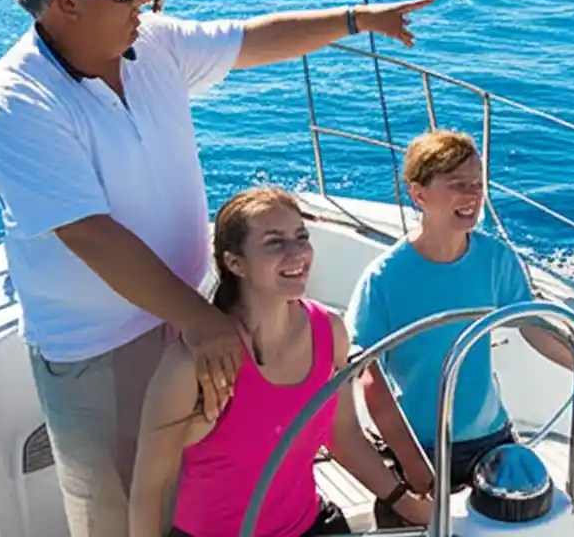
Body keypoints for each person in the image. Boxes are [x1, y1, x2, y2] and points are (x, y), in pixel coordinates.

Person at [0, 0, 433, 536]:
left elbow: (253, 39)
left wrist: (357, 19)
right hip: (99, 348)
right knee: (120, 508)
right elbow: (88, 233)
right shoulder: (16, 100)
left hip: (188, 319)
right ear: (65, 5)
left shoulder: (152, 43)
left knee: (195, 485)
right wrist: (201, 320)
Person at [345, 129, 574, 526]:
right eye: (458, 185)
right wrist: (411, 462)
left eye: (478, 184)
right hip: (418, 443)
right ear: (418, 194)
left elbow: (532, 326)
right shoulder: (384, 278)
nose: (472, 195)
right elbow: (370, 377)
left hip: (490, 436)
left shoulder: (496, 259)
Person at [129, 187, 432, 536]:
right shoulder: (190, 365)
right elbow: (150, 490)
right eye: (275, 242)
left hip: (310, 525)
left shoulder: (329, 332)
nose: (297, 253)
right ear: (235, 263)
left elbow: (343, 435)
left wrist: (406, 503)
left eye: (301, 237)